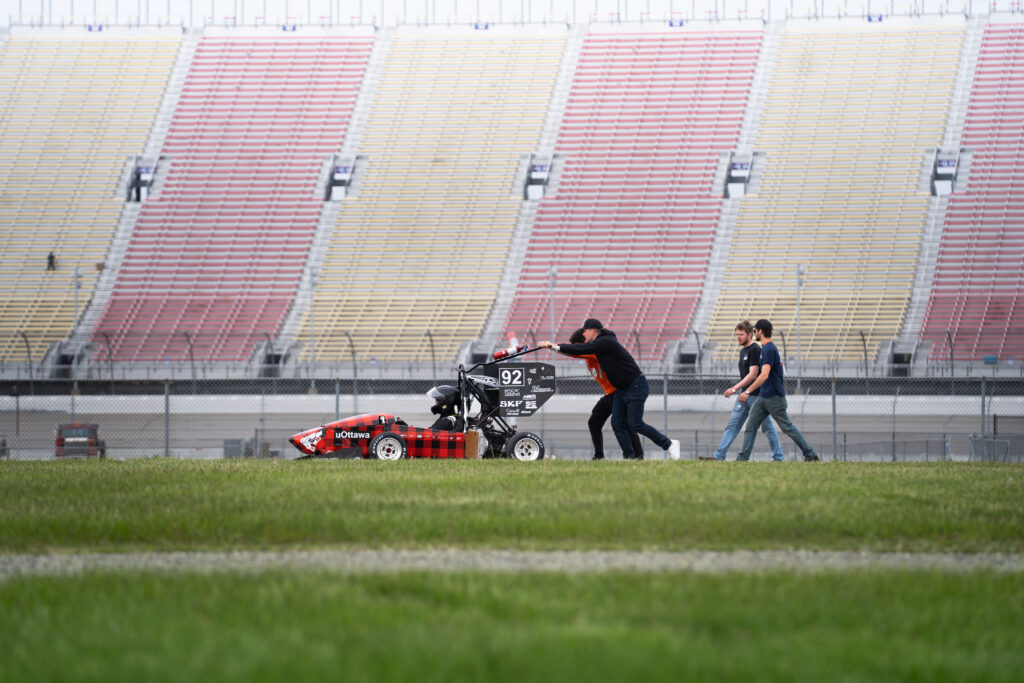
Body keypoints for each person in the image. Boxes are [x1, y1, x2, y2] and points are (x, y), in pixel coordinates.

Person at [541, 319, 680, 460]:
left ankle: (667, 445)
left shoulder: (603, 343)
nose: (583, 334)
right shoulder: (597, 347)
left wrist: (553, 346)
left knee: (634, 423)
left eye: (584, 331)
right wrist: (553, 347)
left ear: (592, 331)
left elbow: (579, 350)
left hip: (635, 385)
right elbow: (577, 351)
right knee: (617, 423)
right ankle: (629, 457)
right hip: (620, 389)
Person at [736, 319, 820, 462]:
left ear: (761, 331)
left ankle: (810, 454)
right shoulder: (766, 349)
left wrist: (747, 391)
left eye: (755, 330)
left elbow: (764, 375)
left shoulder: (768, 349)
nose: (754, 332)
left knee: (787, 427)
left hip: (774, 398)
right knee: (750, 427)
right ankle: (742, 459)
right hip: (763, 397)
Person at [701, 320, 785, 461]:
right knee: (732, 426)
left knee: (768, 428)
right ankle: (719, 456)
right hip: (744, 397)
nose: (738, 337)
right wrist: (741, 392)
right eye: (737, 334)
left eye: (741, 334)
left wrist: (735, 388)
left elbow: (753, 374)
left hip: (757, 397)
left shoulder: (755, 350)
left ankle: (778, 457)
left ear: (750, 335)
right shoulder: (743, 351)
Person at [565, 328, 643, 460]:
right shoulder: (587, 356)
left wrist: (552, 347)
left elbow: (574, 353)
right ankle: (599, 456)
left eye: (578, 346)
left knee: (624, 424)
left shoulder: (592, 353)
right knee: (594, 422)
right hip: (609, 394)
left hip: (618, 393)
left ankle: (638, 456)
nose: (576, 349)